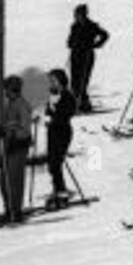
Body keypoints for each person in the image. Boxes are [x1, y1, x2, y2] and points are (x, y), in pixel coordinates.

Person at [0, 75, 33, 223]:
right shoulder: (10, 104)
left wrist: (10, 133)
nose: (5, 92)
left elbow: (25, 129)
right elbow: (8, 127)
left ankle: (15, 211)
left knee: (14, 180)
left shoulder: (21, 105)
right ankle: (9, 209)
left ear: (13, 89)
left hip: (18, 147)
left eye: (6, 88)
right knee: (3, 180)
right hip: (9, 146)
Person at [66, 4, 110, 113]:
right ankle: (78, 103)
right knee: (74, 82)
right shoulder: (74, 26)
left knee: (83, 82)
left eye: (76, 14)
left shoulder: (92, 26)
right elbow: (70, 40)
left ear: (82, 15)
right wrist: (70, 44)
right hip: (75, 56)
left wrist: (97, 45)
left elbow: (105, 35)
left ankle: (84, 104)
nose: (74, 16)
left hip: (86, 56)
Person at [44, 69, 77, 210]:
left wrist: (54, 119)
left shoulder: (67, 96)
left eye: (53, 80)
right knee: (52, 163)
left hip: (63, 132)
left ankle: (62, 192)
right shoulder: (52, 95)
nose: (51, 83)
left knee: (56, 162)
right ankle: (57, 189)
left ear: (61, 81)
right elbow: (48, 111)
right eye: (50, 81)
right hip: (53, 132)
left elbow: (68, 113)